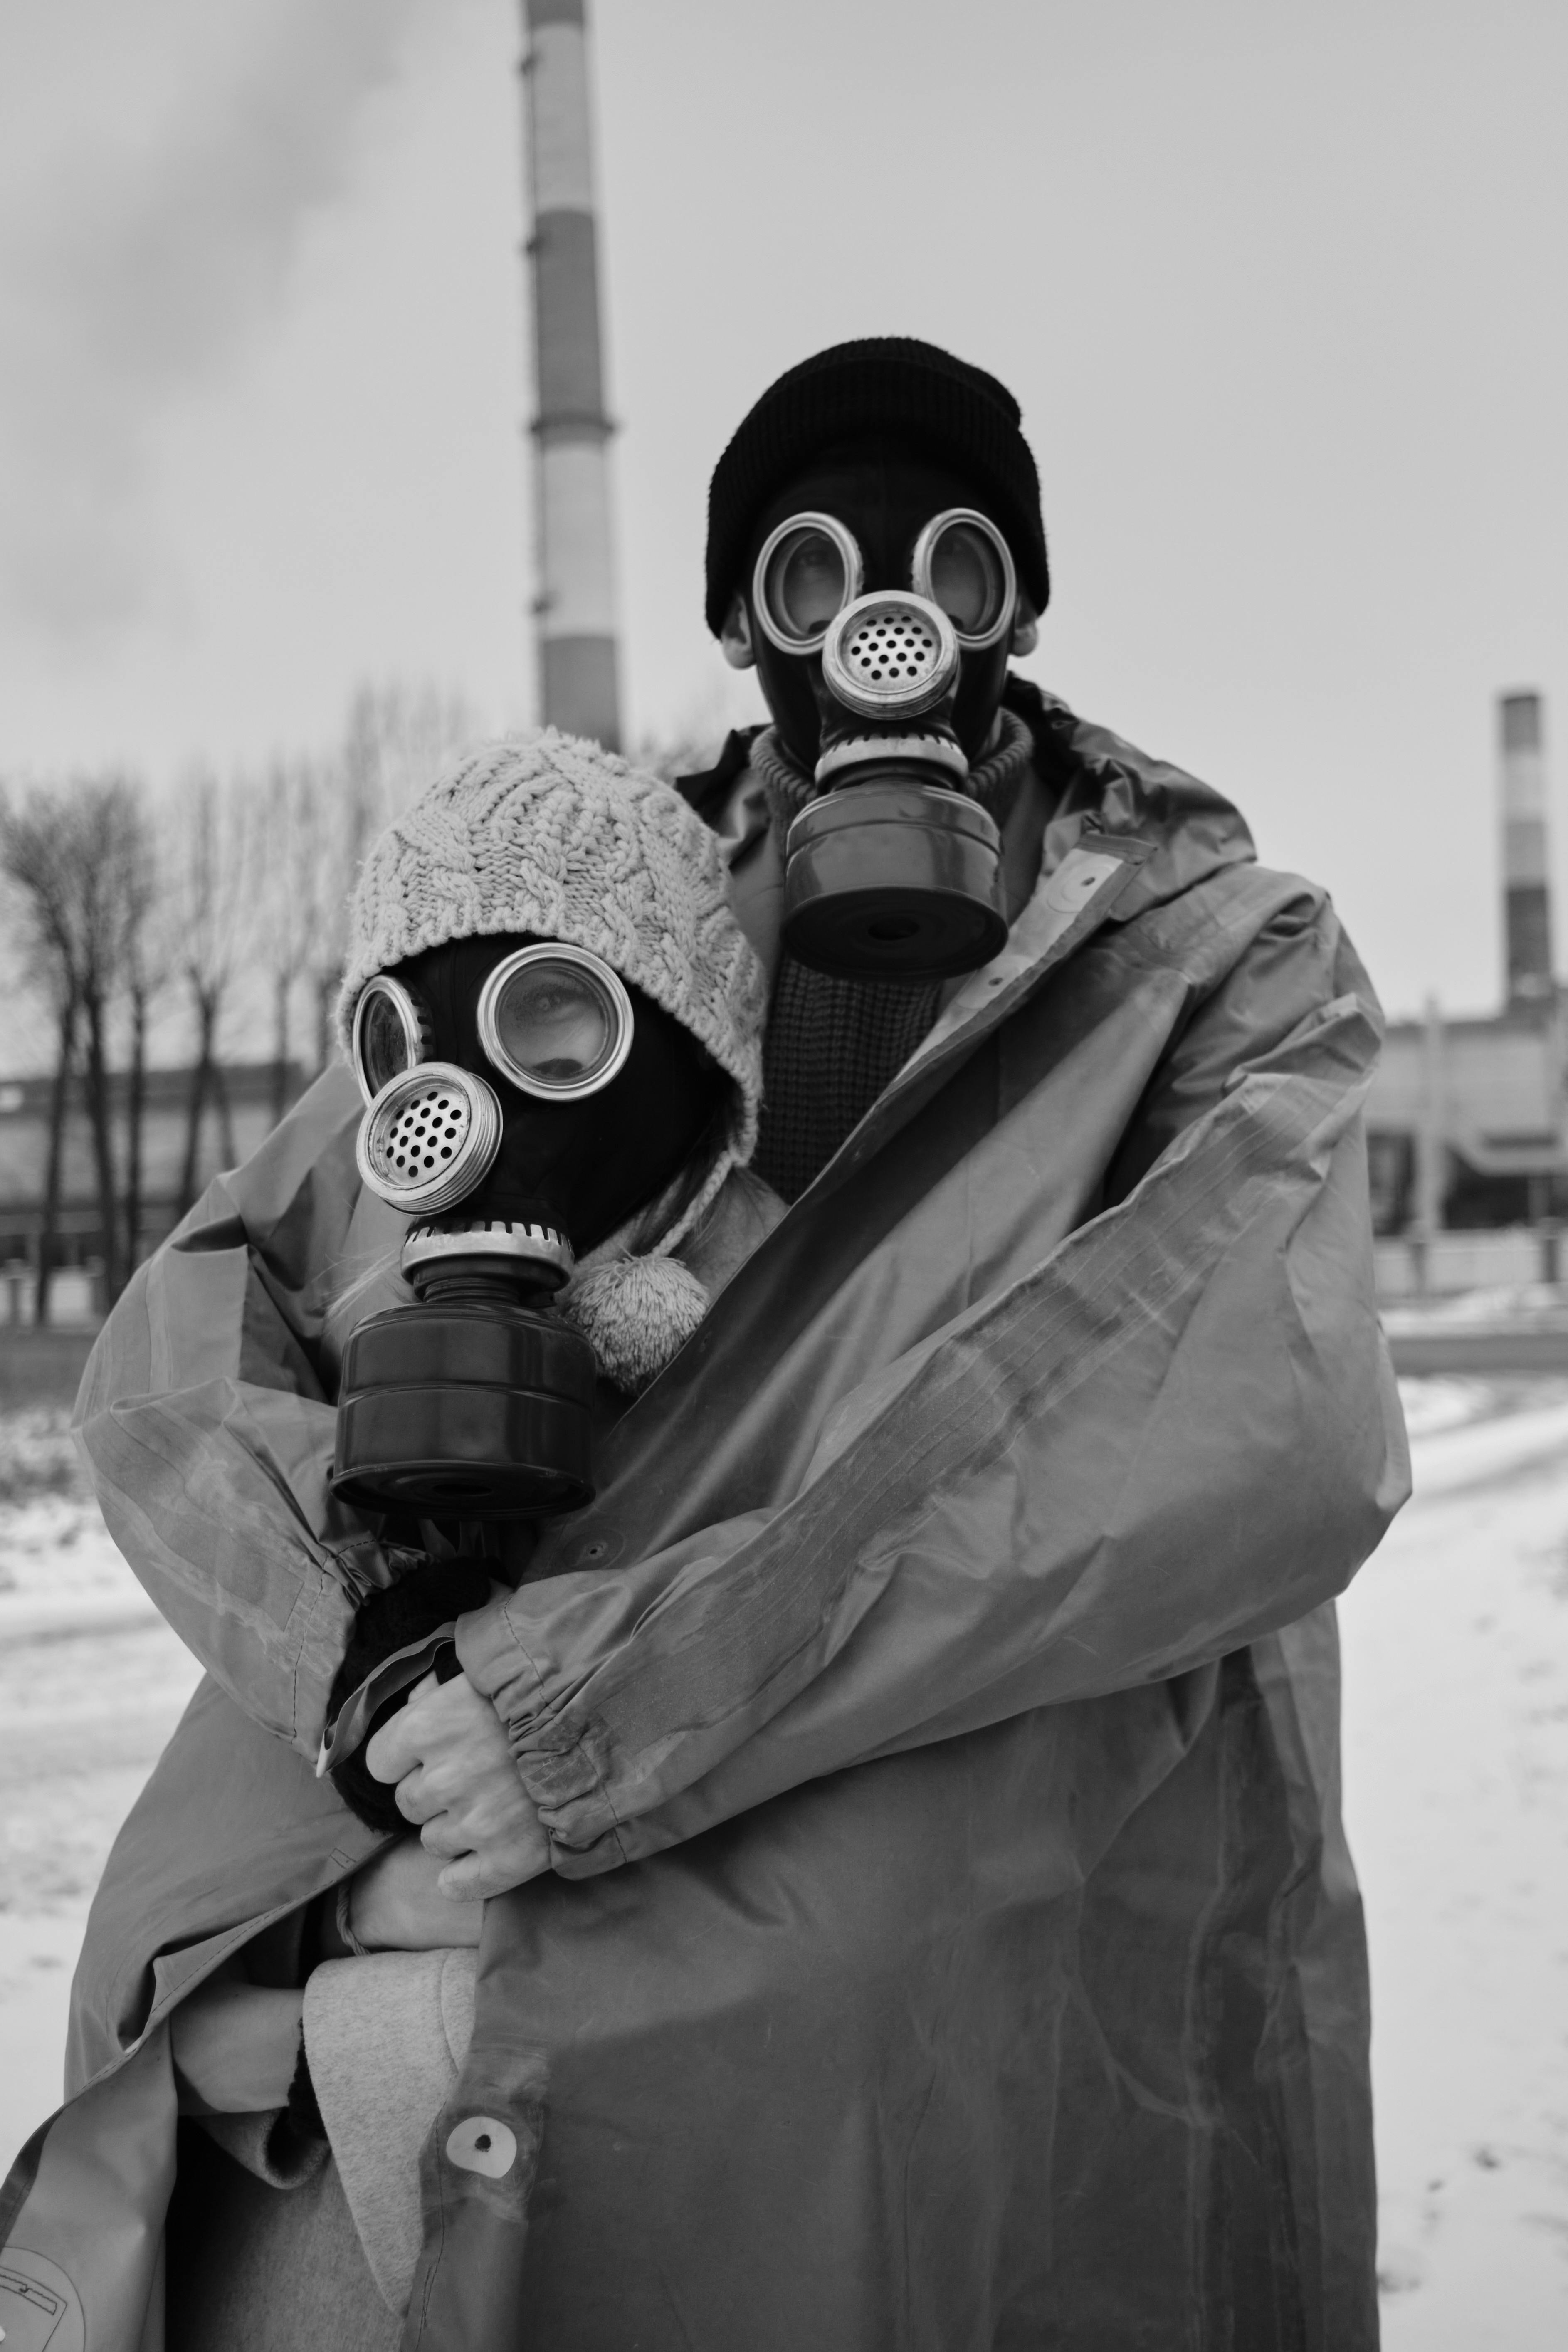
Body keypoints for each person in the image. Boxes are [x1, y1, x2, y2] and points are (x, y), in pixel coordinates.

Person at [1, 338, 1408, 2352]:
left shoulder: (1212, 958)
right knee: (205, 1963)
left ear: (1018, 604)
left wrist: (616, 1704)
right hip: (509, 1715)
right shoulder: (588, 903)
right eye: (808, 577)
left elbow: (1235, 1424)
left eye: (949, 567)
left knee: (909, 2123)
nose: (881, 635)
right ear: (739, 622)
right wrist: (372, 1652)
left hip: (997, 1723)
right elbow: (205, 1328)